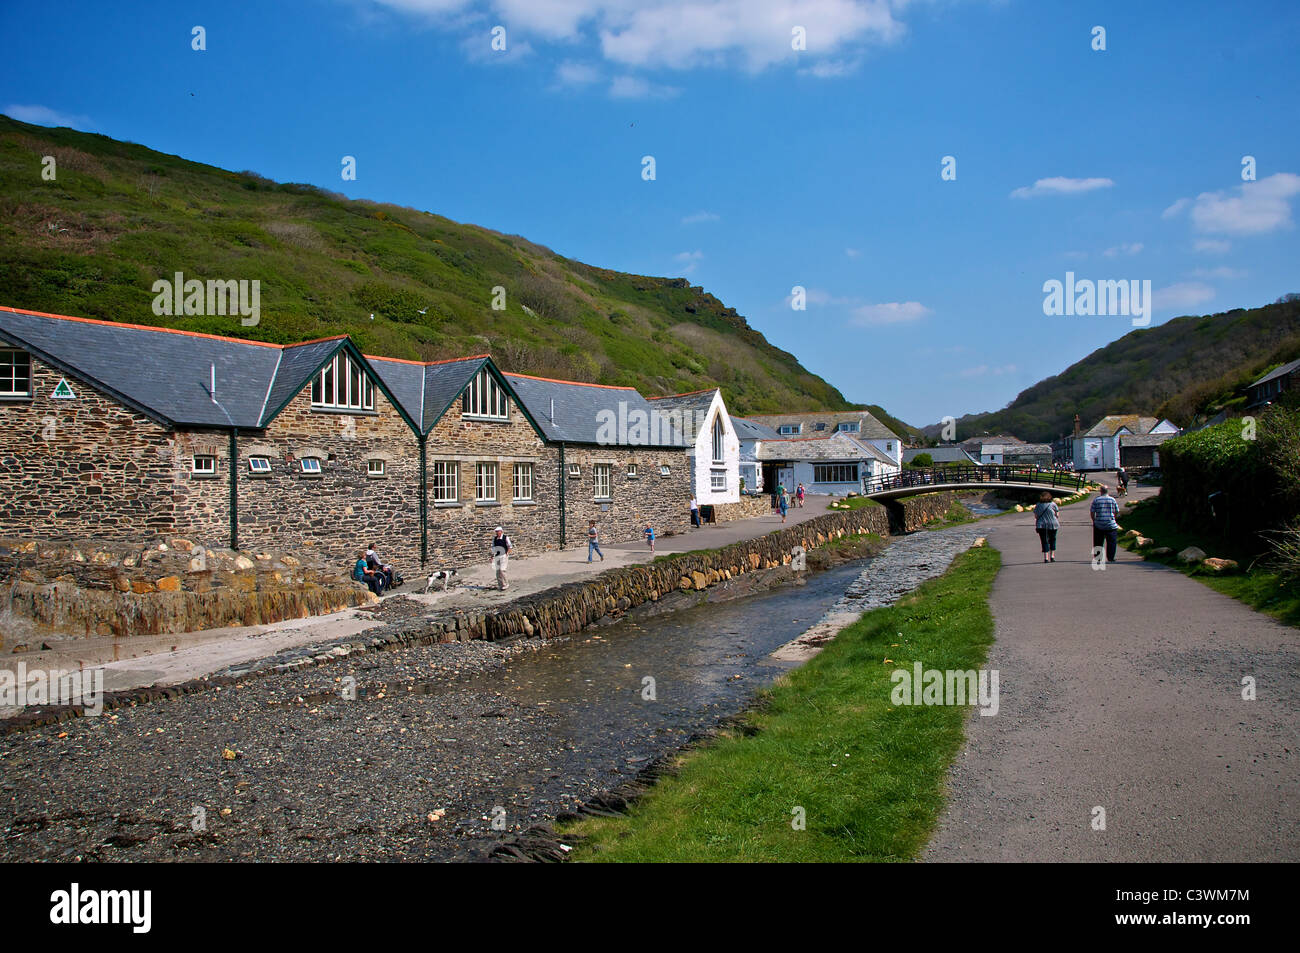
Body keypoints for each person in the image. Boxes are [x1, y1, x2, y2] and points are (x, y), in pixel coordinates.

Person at [1090, 485, 1121, 565]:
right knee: (1111, 542)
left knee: (1098, 542)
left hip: (1099, 523)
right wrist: (1114, 518)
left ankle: (1098, 558)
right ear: (1108, 491)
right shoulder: (1112, 500)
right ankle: (1111, 557)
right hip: (1110, 524)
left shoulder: (1096, 500)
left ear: (1101, 491)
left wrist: (1094, 520)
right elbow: (1117, 511)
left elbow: (1092, 512)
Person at [1033, 491, 1060, 563]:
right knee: (1052, 539)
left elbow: (1036, 516)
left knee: (1044, 541)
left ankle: (1046, 558)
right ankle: (1052, 556)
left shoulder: (1038, 505)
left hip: (1042, 525)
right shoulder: (1053, 504)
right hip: (1053, 524)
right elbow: (1057, 515)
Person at [490, 526, 512, 590]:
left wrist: (507, 553)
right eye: (496, 532)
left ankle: (506, 584)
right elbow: (493, 548)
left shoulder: (505, 538)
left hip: (504, 555)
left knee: (502, 570)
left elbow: (510, 546)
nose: (497, 533)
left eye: (498, 531)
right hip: (497, 556)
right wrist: (492, 556)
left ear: (501, 531)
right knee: (498, 571)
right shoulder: (495, 539)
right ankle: (500, 585)